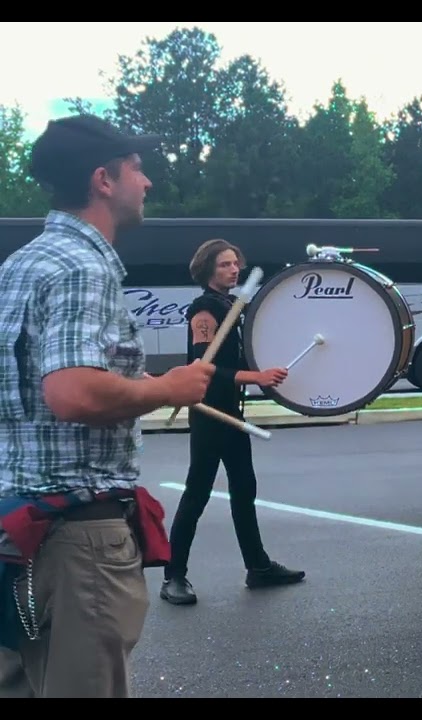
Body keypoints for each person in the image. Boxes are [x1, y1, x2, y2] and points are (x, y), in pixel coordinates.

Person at [0, 114, 214, 697]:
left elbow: (35, 384)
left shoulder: (20, 265)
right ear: (104, 179)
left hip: (15, 525)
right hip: (75, 542)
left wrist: (129, 380)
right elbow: (70, 392)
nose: (146, 183)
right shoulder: (84, 267)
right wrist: (167, 390)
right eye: (138, 170)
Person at [160, 239, 304, 606]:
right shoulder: (205, 310)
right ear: (208, 268)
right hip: (209, 412)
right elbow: (201, 366)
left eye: (235, 263)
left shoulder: (230, 305)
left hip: (231, 413)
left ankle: (257, 567)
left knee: (244, 488)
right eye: (225, 264)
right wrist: (253, 377)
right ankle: (173, 576)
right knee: (197, 493)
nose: (234, 269)